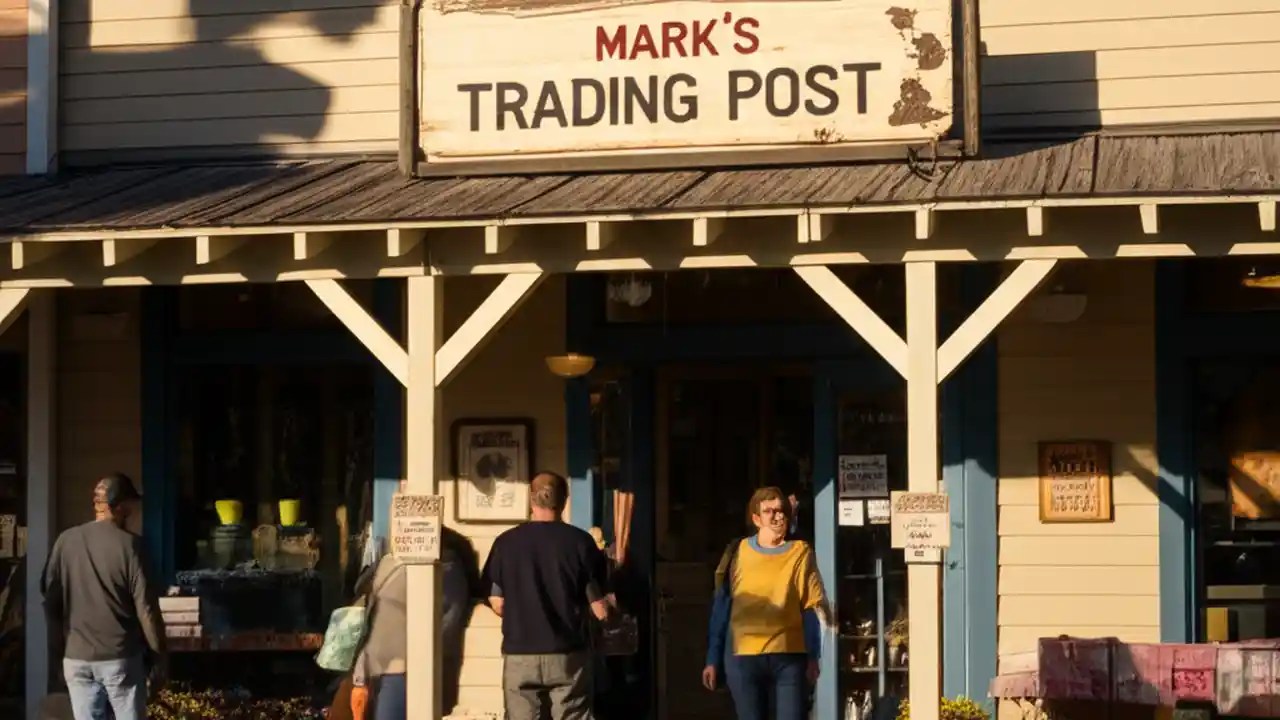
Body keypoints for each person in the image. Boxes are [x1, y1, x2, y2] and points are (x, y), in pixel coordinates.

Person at [482, 471, 611, 720]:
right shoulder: (581, 543)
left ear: (531, 500)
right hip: (567, 653)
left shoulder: (506, 543)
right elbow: (599, 607)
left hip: (520, 652)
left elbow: (497, 602)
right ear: (564, 501)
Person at [42, 473, 167, 720]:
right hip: (120, 658)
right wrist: (159, 658)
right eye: (131, 503)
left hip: (76, 659)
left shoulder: (65, 541)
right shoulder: (131, 546)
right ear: (120, 506)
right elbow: (146, 609)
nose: (134, 509)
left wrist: (59, 653)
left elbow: (50, 602)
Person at [701, 486, 831, 720]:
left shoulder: (800, 552)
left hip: (788, 656)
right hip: (744, 658)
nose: (777, 516)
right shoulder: (737, 553)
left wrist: (814, 655)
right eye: (769, 511)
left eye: (781, 510)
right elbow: (721, 608)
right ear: (756, 519)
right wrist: (712, 658)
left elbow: (811, 607)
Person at [350, 522, 484, 720]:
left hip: (404, 669)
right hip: (383, 669)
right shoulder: (393, 564)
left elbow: (444, 625)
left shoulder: (443, 571)